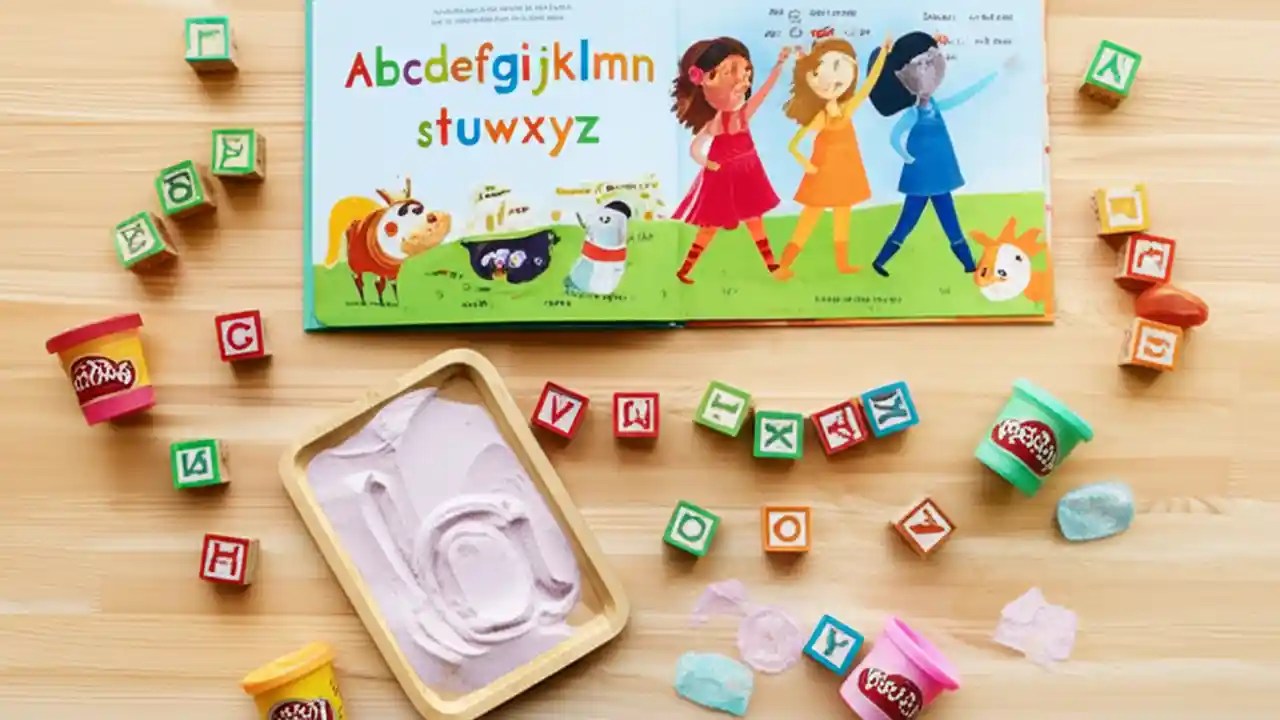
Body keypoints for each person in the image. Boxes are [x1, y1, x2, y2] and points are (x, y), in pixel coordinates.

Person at [867, 32, 1008, 276]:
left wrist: (991, 77)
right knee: (907, 222)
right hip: (921, 177)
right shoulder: (912, 114)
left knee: (948, 221)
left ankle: (969, 265)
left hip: (939, 175)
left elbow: (963, 96)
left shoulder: (936, 107)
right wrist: (908, 158)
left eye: (931, 62)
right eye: (920, 65)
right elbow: (894, 138)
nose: (928, 70)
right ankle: (881, 261)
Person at [670, 38, 793, 284]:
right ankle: (685, 269)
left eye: (746, 73)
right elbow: (695, 149)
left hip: (747, 172)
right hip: (723, 177)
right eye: (731, 73)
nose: (743, 82)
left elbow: (764, 90)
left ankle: (772, 266)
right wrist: (709, 164)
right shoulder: (717, 122)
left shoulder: (742, 113)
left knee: (754, 220)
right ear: (705, 80)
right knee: (709, 227)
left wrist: (779, 65)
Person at [773, 30, 891, 280]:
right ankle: (783, 264)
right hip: (823, 173)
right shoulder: (821, 118)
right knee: (810, 217)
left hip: (845, 173)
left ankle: (842, 264)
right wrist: (806, 164)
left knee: (843, 215)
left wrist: (883, 52)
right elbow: (793, 145)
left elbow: (870, 82)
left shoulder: (847, 109)